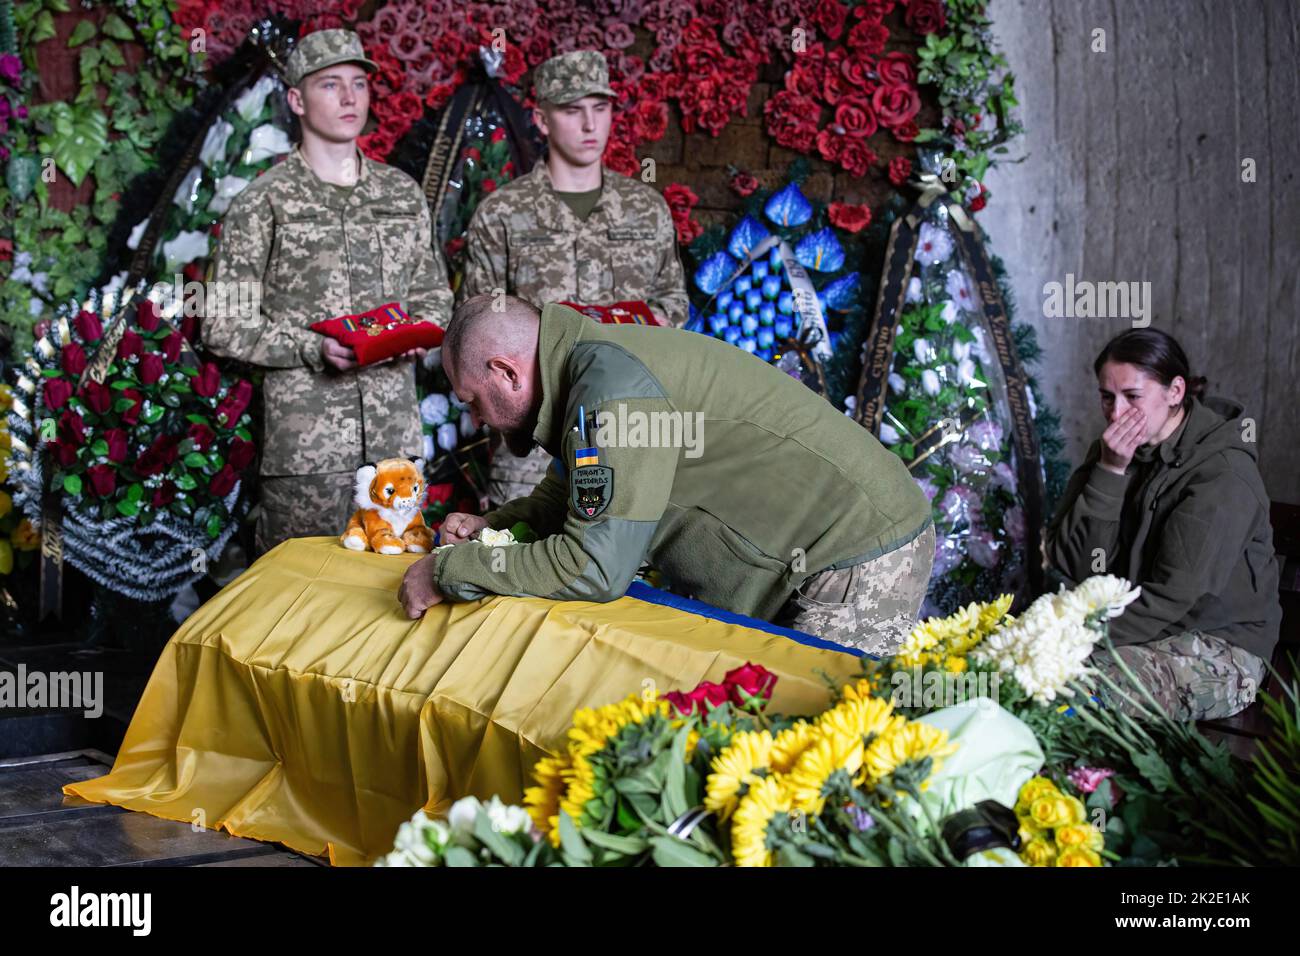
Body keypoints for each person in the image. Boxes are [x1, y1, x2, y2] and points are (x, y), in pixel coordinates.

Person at [398, 296, 935, 654]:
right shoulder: (589, 373)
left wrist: (451, 571)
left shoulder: (613, 392)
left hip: (858, 553)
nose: (476, 421)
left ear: (507, 373)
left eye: (472, 402)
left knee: (810, 766)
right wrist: (498, 524)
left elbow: (593, 568)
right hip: (827, 551)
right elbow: (582, 490)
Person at [204, 29, 453, 555]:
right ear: (296, 100)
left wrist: (420, 333)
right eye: (330, 85)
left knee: (393, 592)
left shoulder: (400, 193)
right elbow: (222, 323)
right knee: (296, 597)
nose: (349, 98)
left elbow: (434, 295)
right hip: (307, 455)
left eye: (359, 84)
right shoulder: (263, 202)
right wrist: (311, 348)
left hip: (395, 447)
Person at [458, 49, 688, 506]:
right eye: (571, 110)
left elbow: (674, 302)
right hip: (532, 441)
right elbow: (477, 324)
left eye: (600, 109)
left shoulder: (645, 207)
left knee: (631, 563)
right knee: (518, 555)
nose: (590, 125)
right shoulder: (503, 213)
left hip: (632, 431)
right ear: (541, 120)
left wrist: (632, 327)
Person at [1047, 328, 1281, 720]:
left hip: (1220, 648)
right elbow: (1076, 565)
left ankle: (1081, 782)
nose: (1116, 414)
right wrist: (1109, 471)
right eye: (1108, 397)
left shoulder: (1222, 473)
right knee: (1012, 664)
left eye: (1133, 397)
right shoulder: (1114, 451)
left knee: (1070, 688)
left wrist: (1071, 636)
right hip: (1131, 629)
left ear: (1175, 391)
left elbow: (1174, 599)